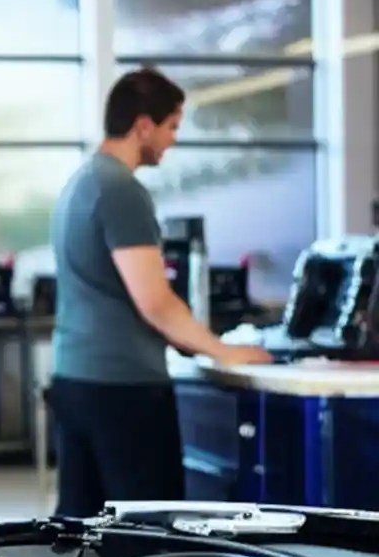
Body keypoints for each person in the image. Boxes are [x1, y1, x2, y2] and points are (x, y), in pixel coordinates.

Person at [48, 67, 273, 519]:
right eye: (171, 127)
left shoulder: (80, 182)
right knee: (149, 529)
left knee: (80, 526)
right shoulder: (121, 191)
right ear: (142, 126)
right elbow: (155, 300)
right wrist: (222, 351)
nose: (172, 141)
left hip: (75, 378)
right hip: (123, 388)